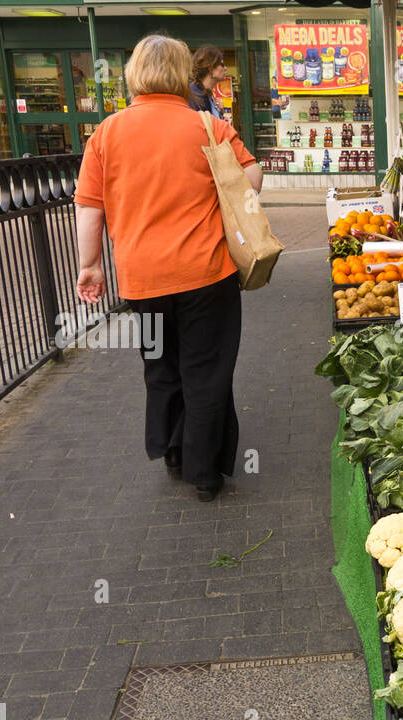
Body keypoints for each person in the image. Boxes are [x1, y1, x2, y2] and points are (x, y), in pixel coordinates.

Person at [73, 34, 263, 502]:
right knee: (207, 370)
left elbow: (89, 206)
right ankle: (205, 472)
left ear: (134, 73)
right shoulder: (206, 126)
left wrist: (90, 265)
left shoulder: (107, 133)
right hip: (207, 276)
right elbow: (253, 176)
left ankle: (171, 450)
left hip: (143, 280)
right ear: (183, 72)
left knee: (161, 366)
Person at [188, 45, 228, 120]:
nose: (225, 68)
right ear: (211, 69)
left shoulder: (205, 94)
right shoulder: (196, 96)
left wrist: (221, 111)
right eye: (222, 65)